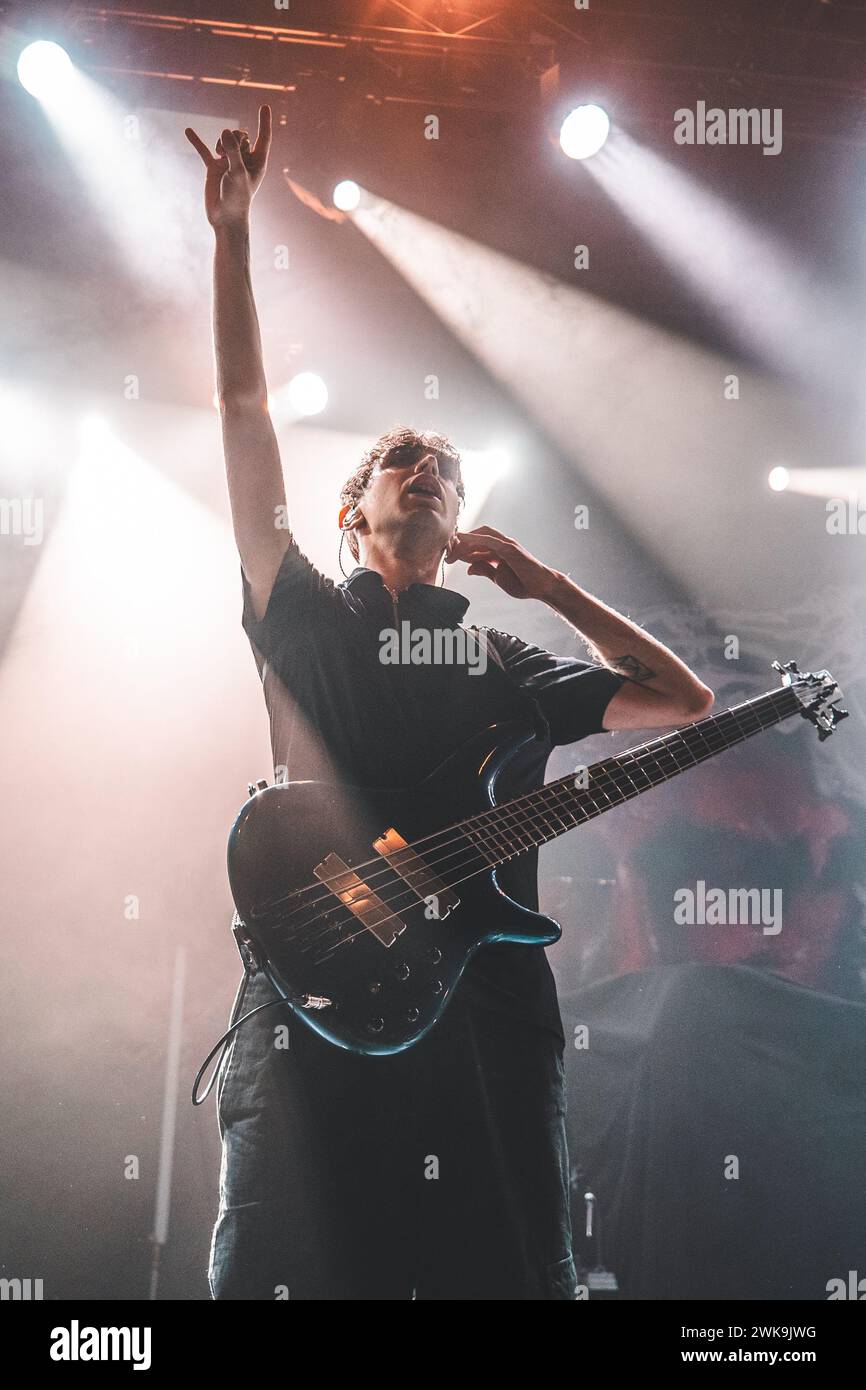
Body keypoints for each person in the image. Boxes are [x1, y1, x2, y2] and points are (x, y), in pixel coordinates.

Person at [186, 106, 714, 1300]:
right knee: (284, 1261)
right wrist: (231, 238)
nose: (426, 472)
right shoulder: (307, 611)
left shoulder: (504, 661)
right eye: (399, 465)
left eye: (447, 470)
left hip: (481, 1003)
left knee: (511, 1272)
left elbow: (678, 700)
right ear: (353, 514)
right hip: (314, 979)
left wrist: (547, 580)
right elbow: (240, 423)